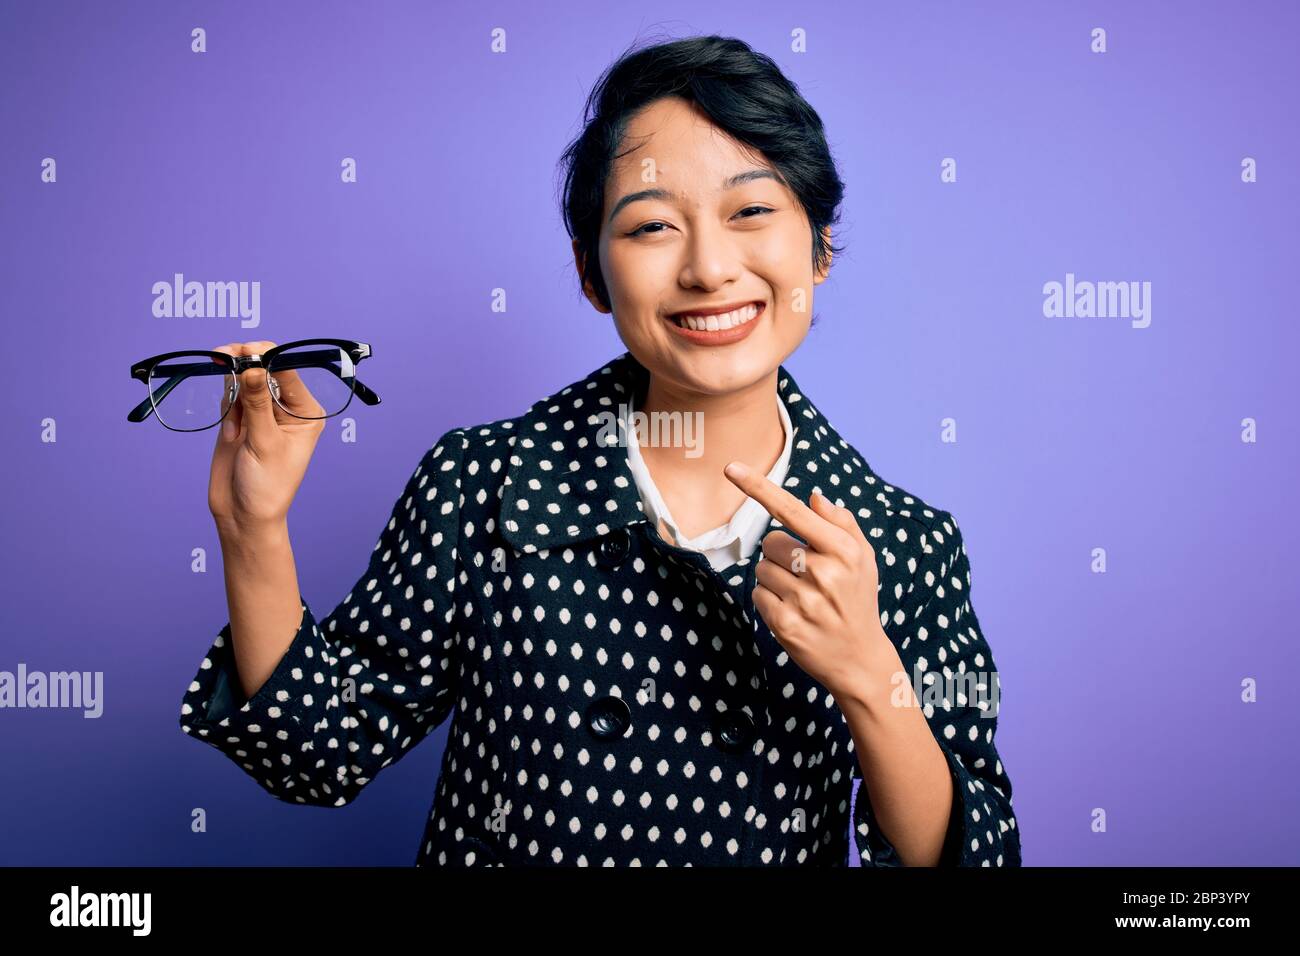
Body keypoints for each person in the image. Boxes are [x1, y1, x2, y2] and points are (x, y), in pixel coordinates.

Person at [179, 34, 1021, 867]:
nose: (709, 268)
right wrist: (254, 528)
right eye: (653, 226)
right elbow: (317, 755)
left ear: (821, 247)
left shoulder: (903, 541)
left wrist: (873, 678)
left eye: (752, 211)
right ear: (591, 274)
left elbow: (975, 857)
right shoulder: (485, 483)